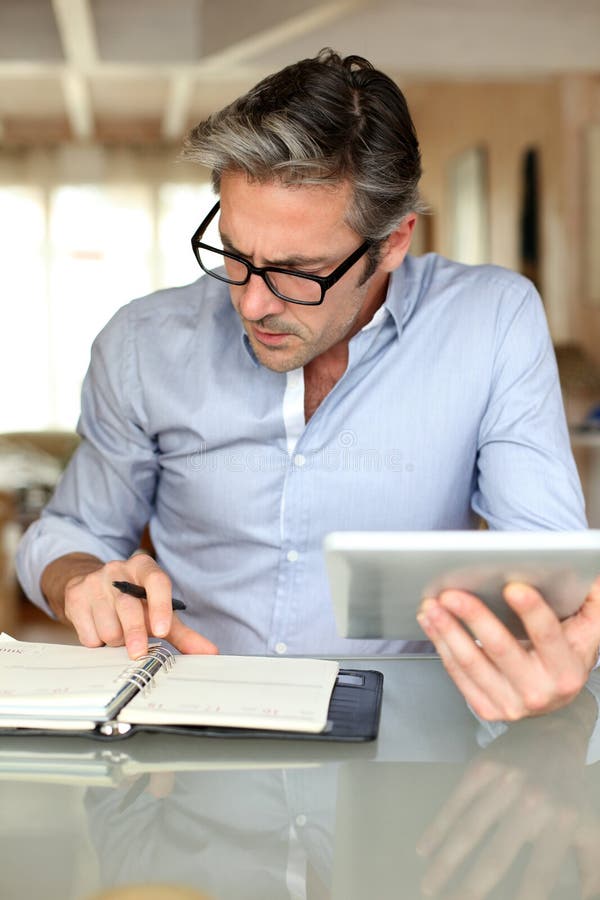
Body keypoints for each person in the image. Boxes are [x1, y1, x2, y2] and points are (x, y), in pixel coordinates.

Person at [16, 49, 600, 722]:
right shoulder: (142, 344)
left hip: (404, 759)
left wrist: (553, 645)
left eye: (299, 270)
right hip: (198, 760)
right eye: (235, 253)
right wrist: (83, 581)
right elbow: (69, 531)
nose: (253, 302)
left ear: (393, 241)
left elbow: (548, 572)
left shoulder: (492, 322)